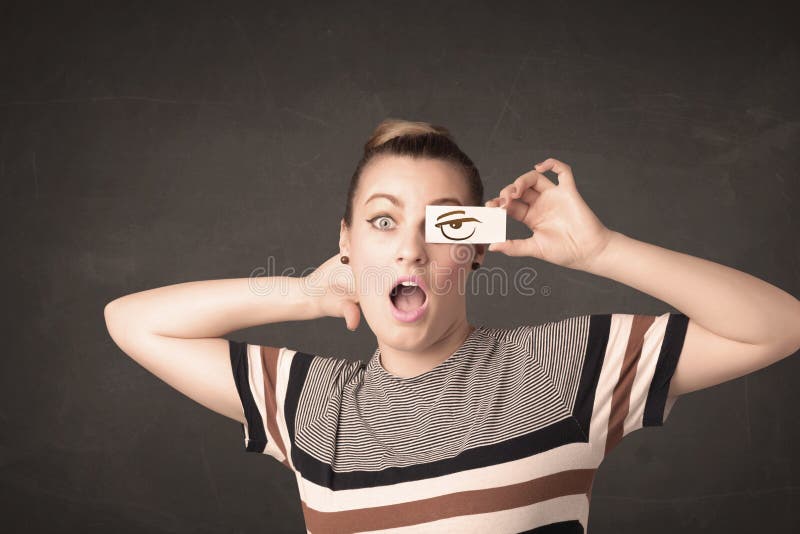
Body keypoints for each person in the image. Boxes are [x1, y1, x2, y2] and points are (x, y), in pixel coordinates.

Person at [104, 118, 800, 533]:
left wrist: (604, 251)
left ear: (471, 248)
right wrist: (309, 292)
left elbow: (775, 326)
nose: (409, 248)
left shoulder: (560, 369)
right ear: (347, 240)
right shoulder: (309, 406)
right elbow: (132, 322)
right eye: (382, 222)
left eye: (441, 225)